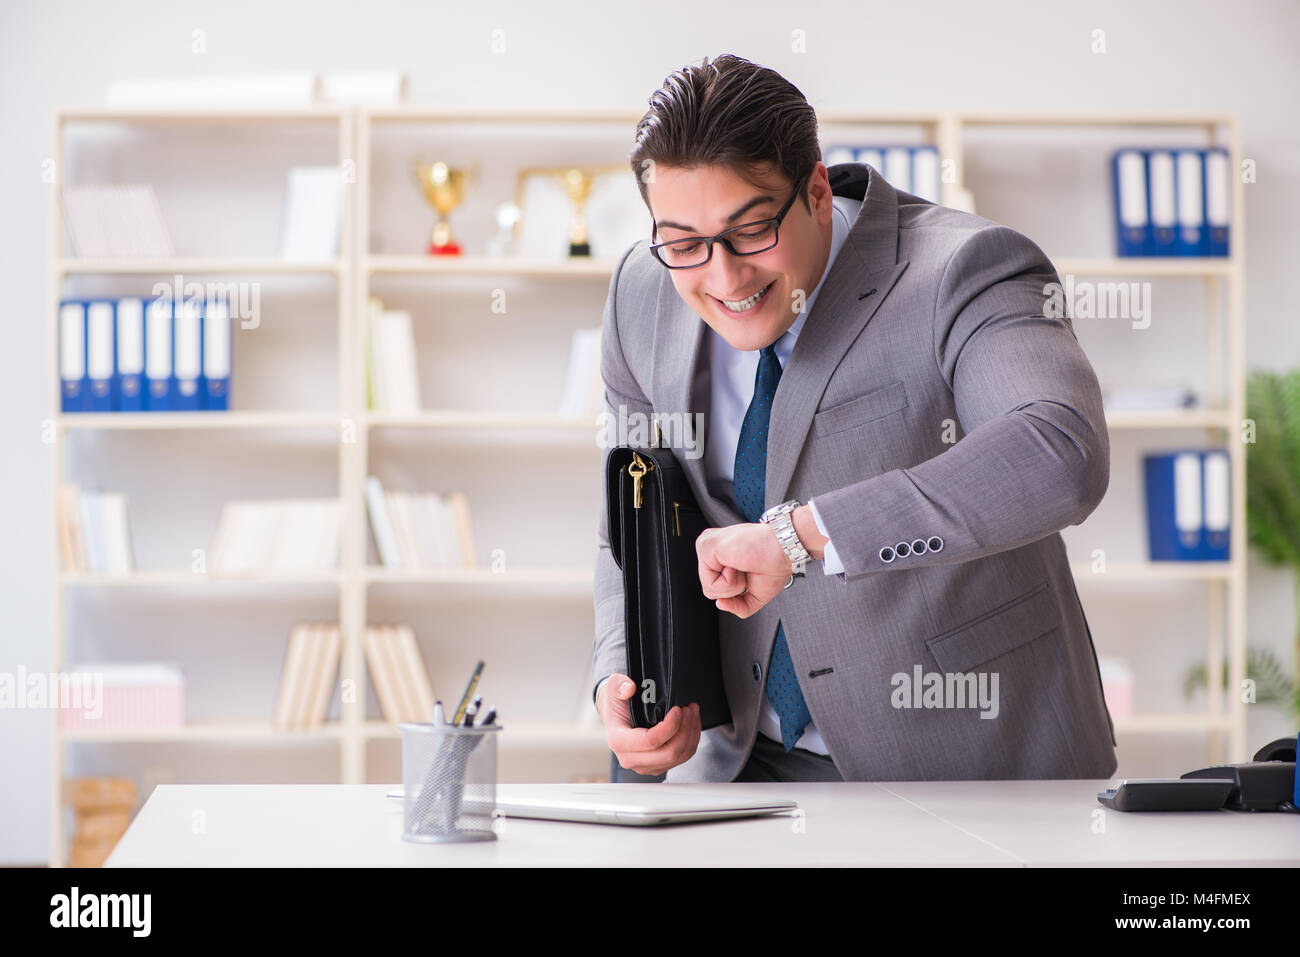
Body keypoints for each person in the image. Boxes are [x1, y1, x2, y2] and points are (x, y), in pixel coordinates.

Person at [591, 54, 1117, 783]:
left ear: (813, 191)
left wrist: (802, 536)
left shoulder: (964, 269)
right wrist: (620, 673)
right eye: (684, 243)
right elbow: (627, 518)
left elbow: (1059, 450)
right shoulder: (640, 294)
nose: (724, 276)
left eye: (750, 231)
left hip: (961, 762)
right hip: (727, 767)